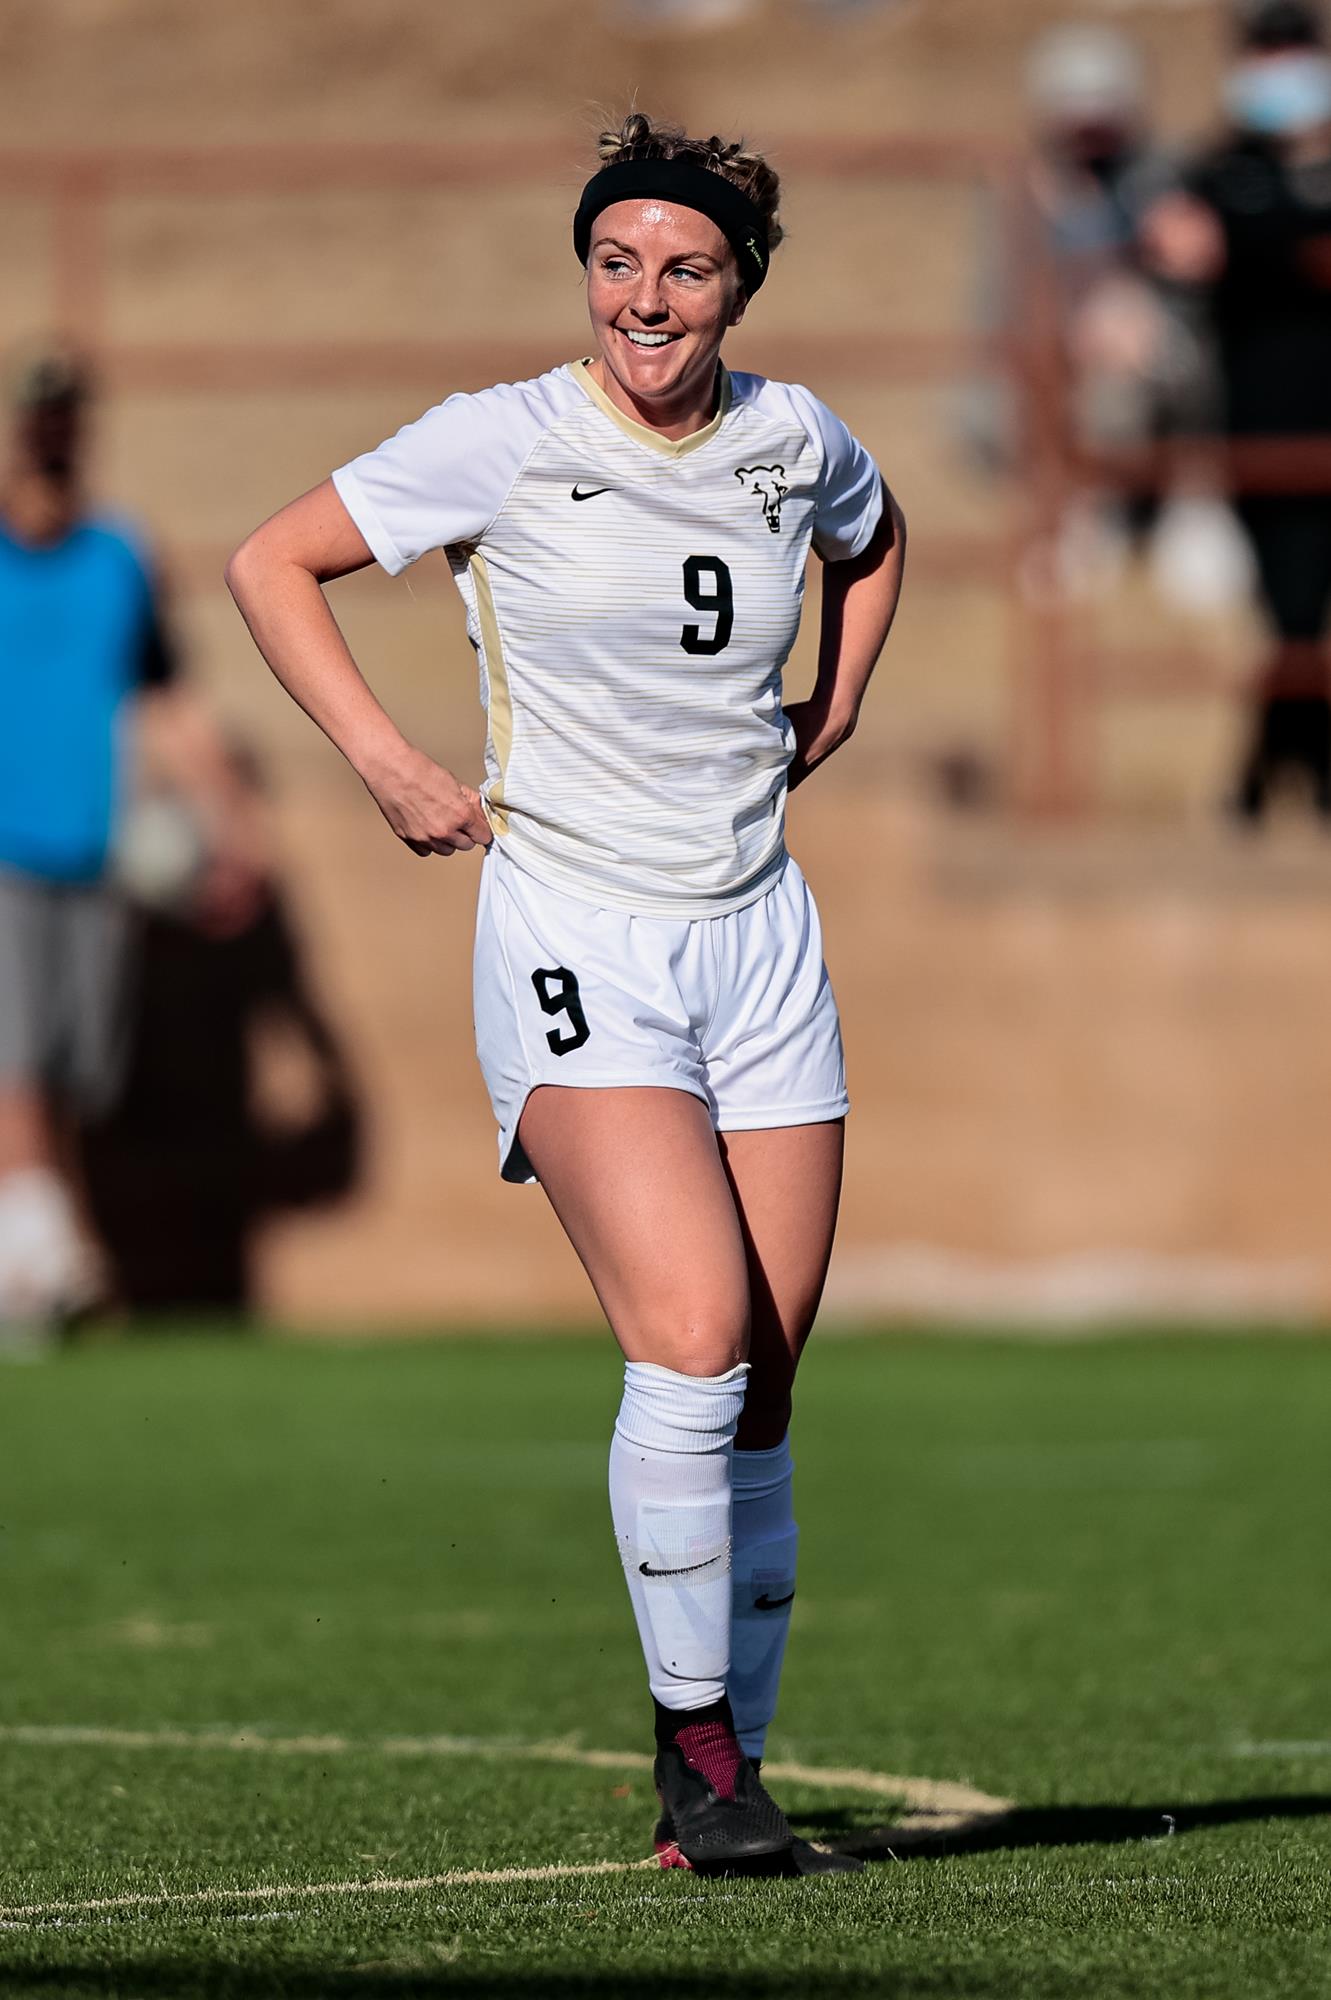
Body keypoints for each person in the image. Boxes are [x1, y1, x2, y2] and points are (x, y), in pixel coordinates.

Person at [225, 112, 906, 1876]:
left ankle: (726, 1789)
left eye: (682, 267)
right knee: (687, 1334)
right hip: (577, 934)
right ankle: (702, 1761)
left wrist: (837, 702)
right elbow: (269, 563)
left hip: (760, 940)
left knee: (762, 1387)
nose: (643, 299)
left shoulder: (793, 436)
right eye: (615, 263)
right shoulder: (506, 438)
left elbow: (873, 530)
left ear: (738, 286)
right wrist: (386, 762)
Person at [0, 350, 260, 1336]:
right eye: (37, 414)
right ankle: (48, 1267)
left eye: (65, 414)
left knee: (77, 1077)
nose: (51, 432)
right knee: (14, 1063)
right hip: (3, 851)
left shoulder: (120, 557)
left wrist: (233, 827)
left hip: (95, 851)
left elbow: (166, 698)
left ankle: (29, 1274)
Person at [1144, 0, 1331, 815]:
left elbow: (1229, 246)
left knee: (1298, 614)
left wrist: (1256, 248)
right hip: (1257, 432)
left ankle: (1261, 782)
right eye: (1263, 51)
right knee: (1291, 608)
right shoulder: (1217, 170)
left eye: (1289, 49)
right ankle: (1287, 780)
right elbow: (1172, 251)